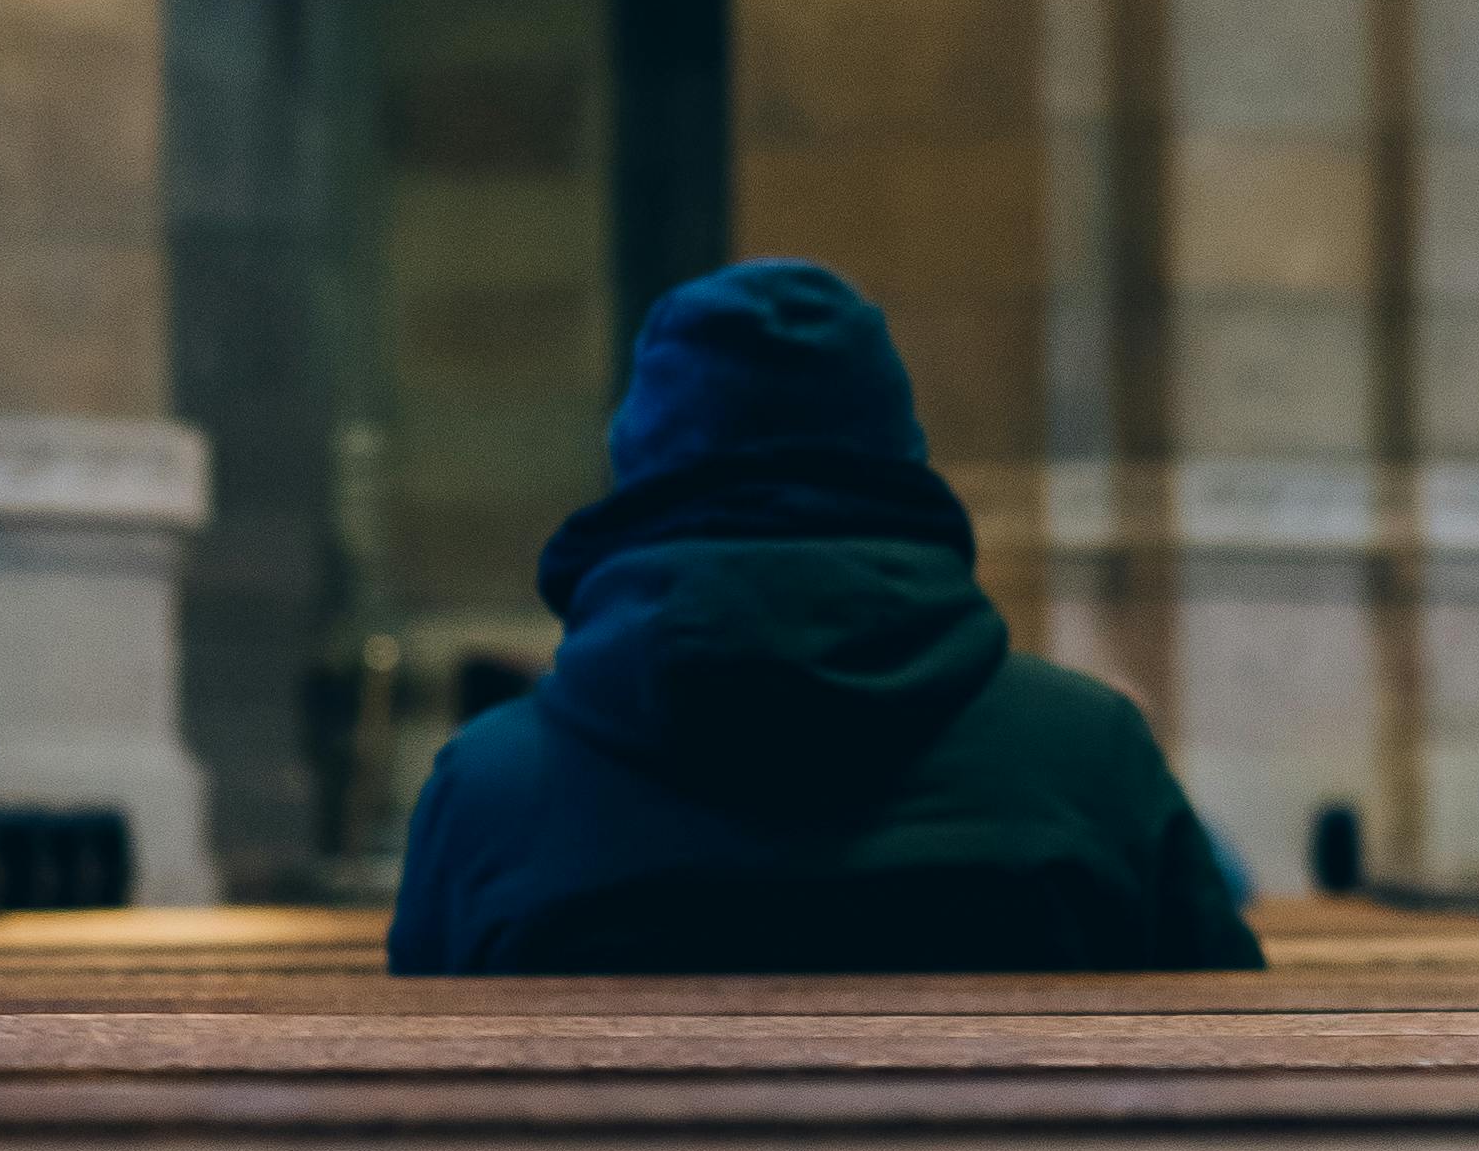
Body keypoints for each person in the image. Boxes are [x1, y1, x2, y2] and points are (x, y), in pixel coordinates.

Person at [386, 258, 1267, 976]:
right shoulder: (1090, 755)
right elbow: (1239, 1065)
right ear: (894, 455)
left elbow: (406, 1120)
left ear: (643, 464)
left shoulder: (488, 791)